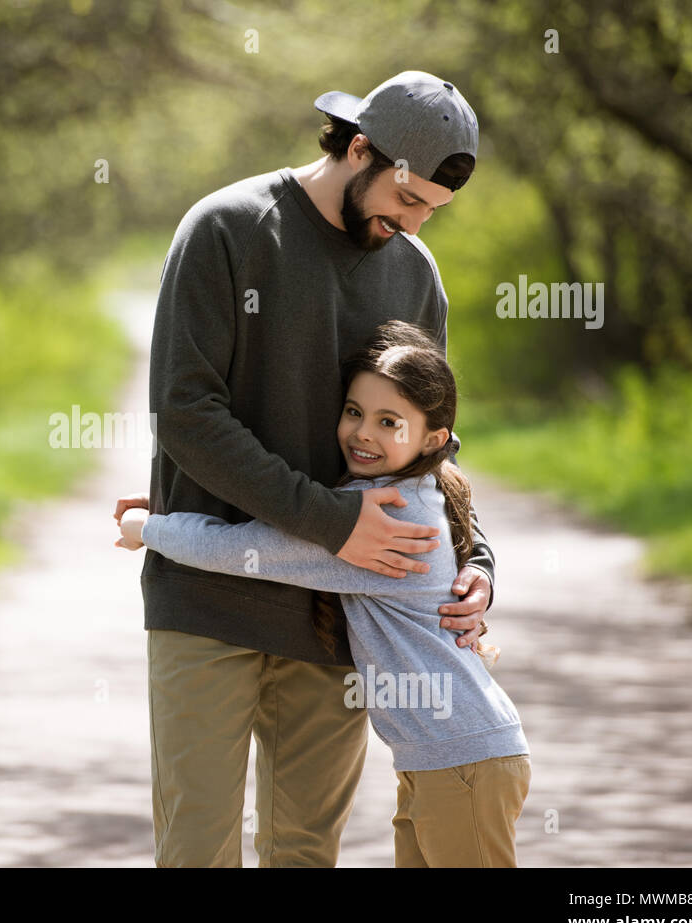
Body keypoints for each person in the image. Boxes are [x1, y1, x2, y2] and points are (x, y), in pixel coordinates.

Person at [112, 70, 497, 867]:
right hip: (207, 604)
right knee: (197, 851)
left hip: (335, 617)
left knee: (303, 853)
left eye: (432, 208)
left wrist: (477, 560)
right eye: (409, 197)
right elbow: (187, 414)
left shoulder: (414, 273)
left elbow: (427, 450)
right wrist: (333, 521)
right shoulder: (226, 228)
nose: (418, 220)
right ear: (360, 147)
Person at [117, 321, 530, 867]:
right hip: (446, 759)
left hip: (464, 761)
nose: (363, 433)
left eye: (389, 422)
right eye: (355, 412)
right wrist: (179, 499)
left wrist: (151, 530)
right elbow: (286, 515)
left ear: (434, 439)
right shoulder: (408, 490)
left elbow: (253, 549)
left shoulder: (388, 522)